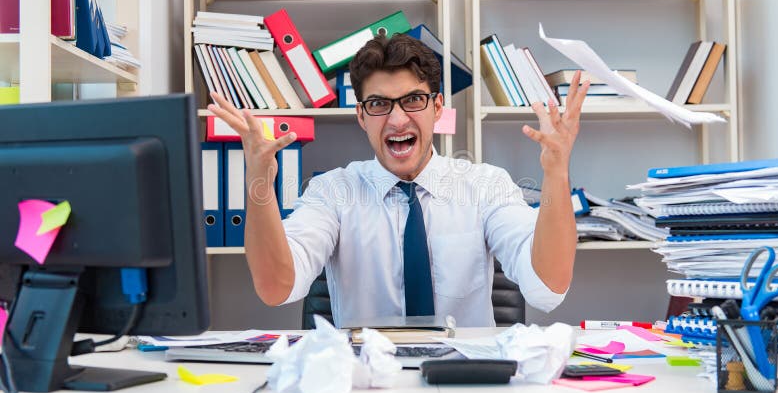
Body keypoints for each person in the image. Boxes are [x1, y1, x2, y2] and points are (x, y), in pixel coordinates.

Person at [208, 33, 589, 327]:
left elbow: (548, 287)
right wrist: (259, 184)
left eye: (413, 101)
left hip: (466, 384)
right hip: (366, 389)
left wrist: (556, 173)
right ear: (361, 116)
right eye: (378, 104)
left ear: (438, 108)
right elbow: (275, 289)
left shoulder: (486, 186)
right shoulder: (332, 192)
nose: (397, 120)